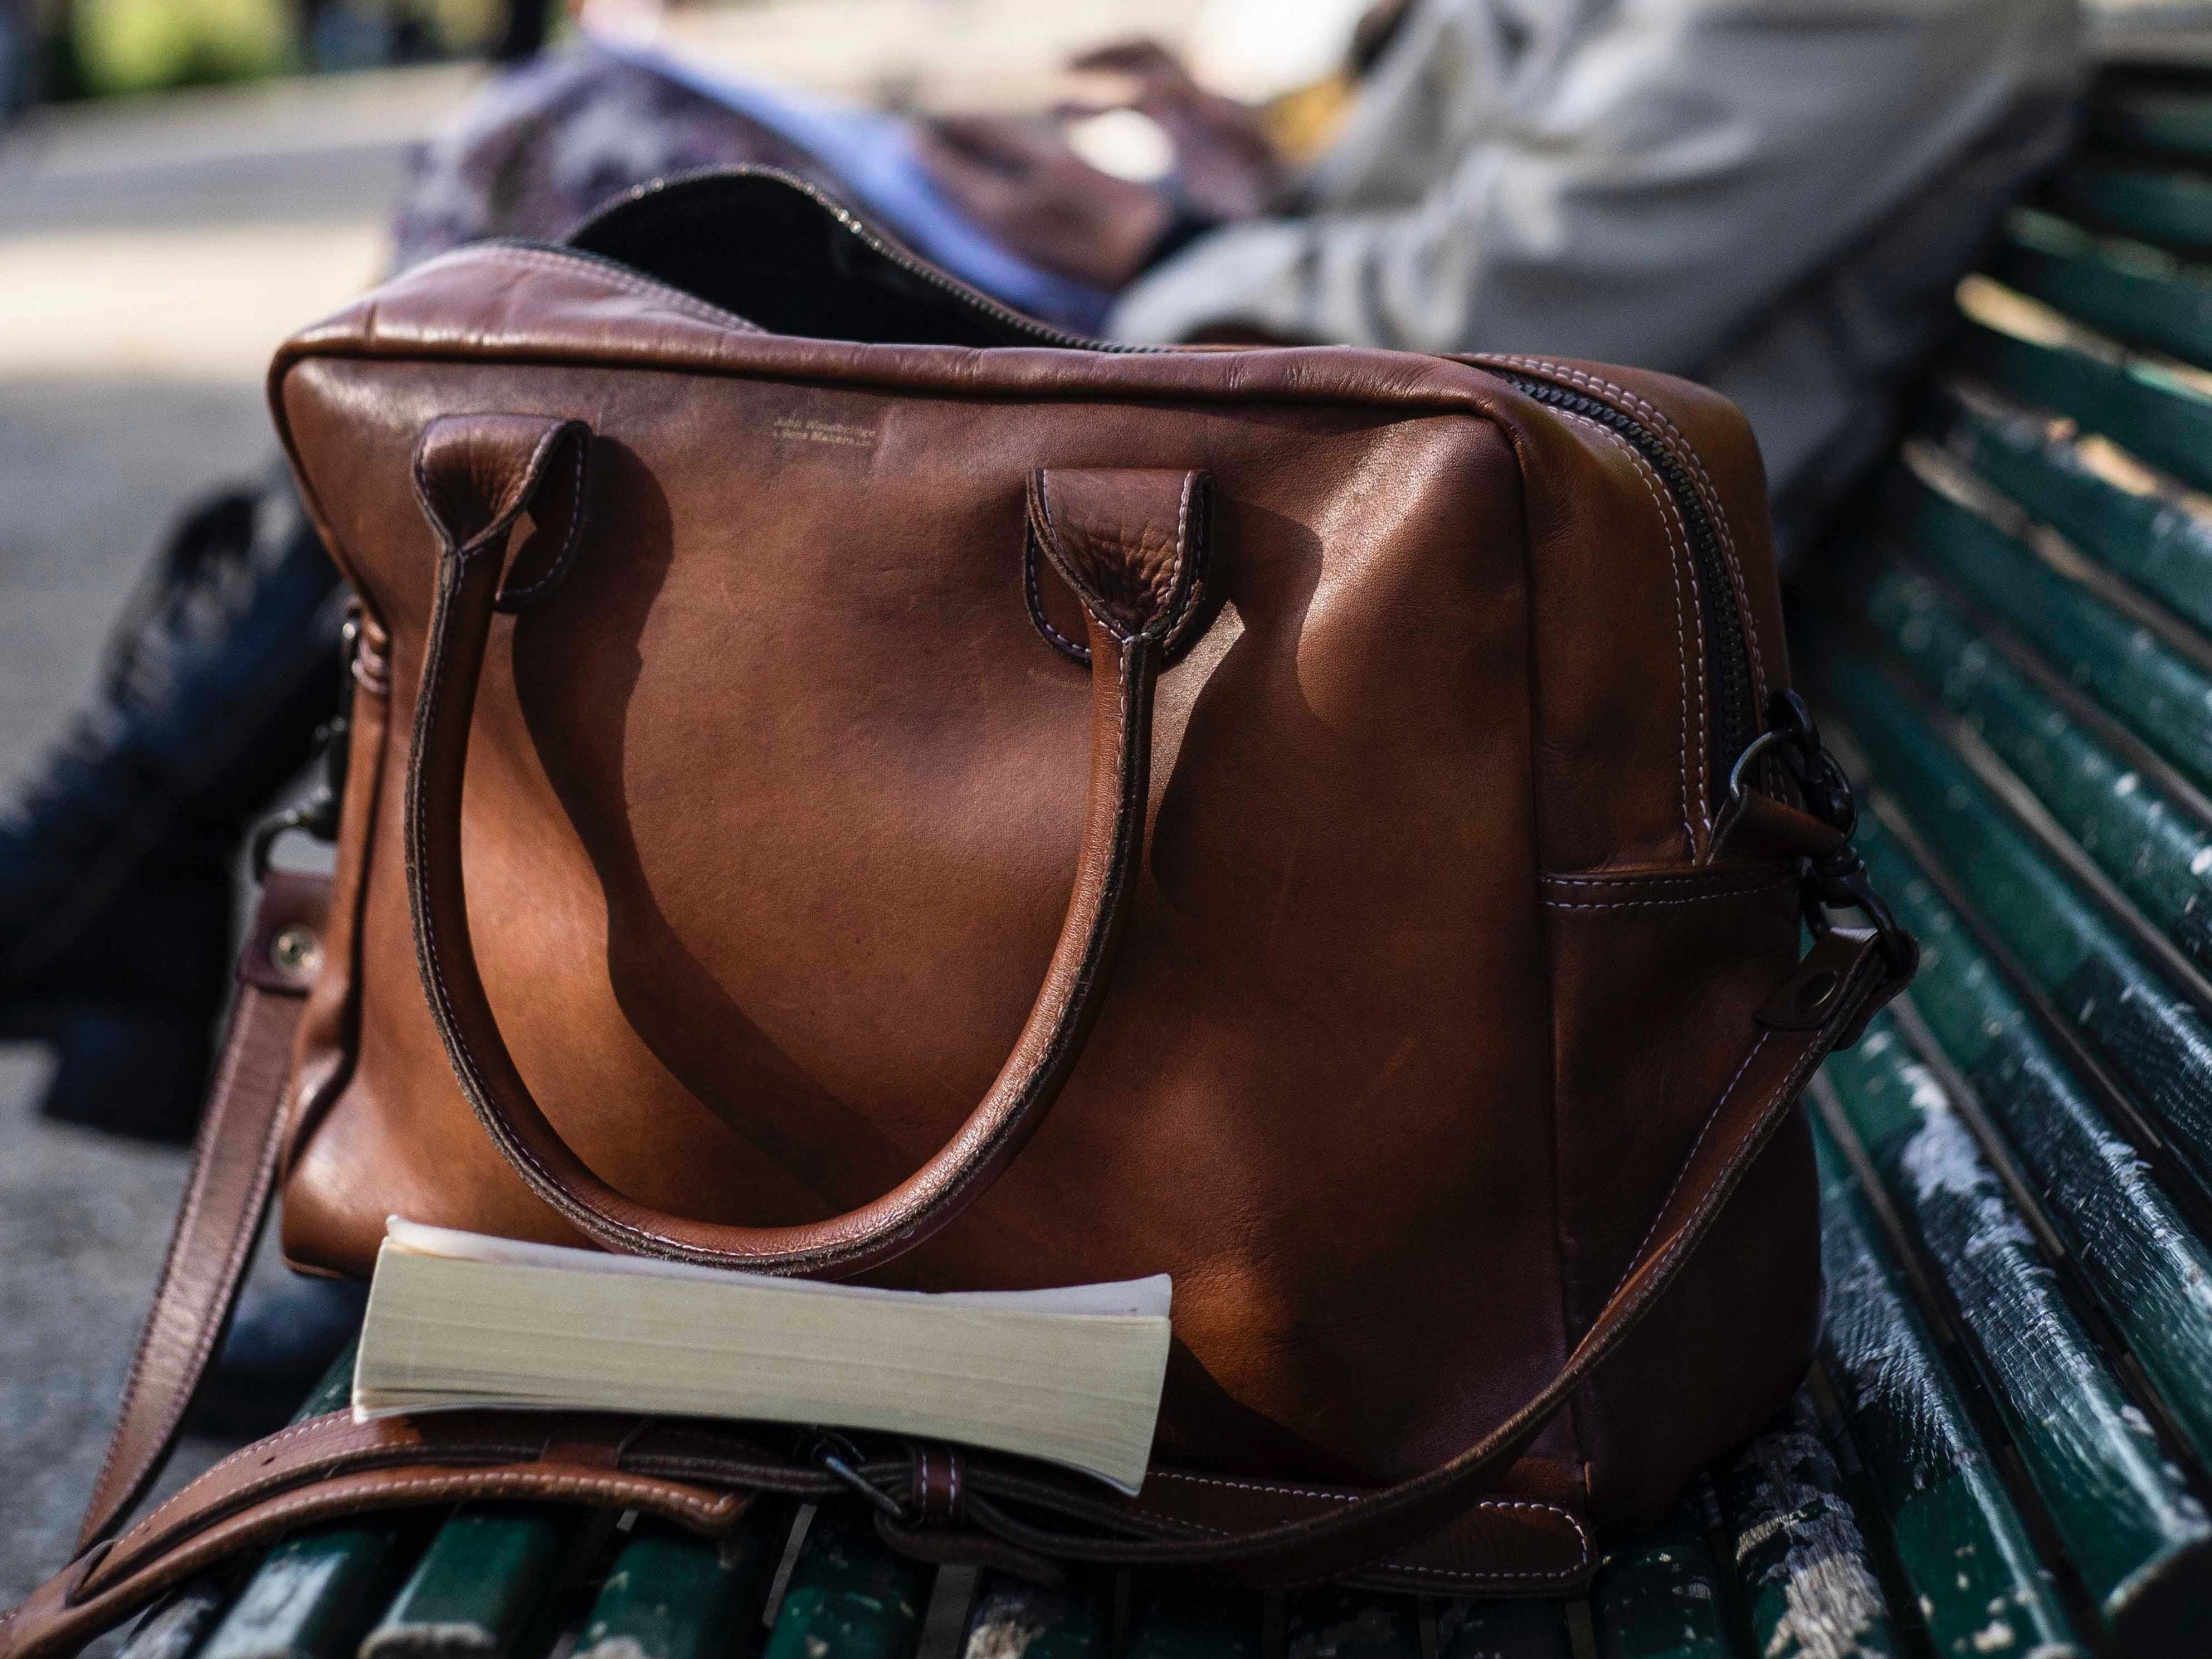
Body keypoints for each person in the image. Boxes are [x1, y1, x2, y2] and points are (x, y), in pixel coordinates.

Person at [0, 0, 2079, 1407]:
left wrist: (1149, 243)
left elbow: (1500, 327)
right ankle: (310, 998)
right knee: (579, 233)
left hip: (1466, 574)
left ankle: (155, 880)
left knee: (602, 222)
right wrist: (1202, 177)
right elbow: (1408, 226)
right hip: (1342, 441)